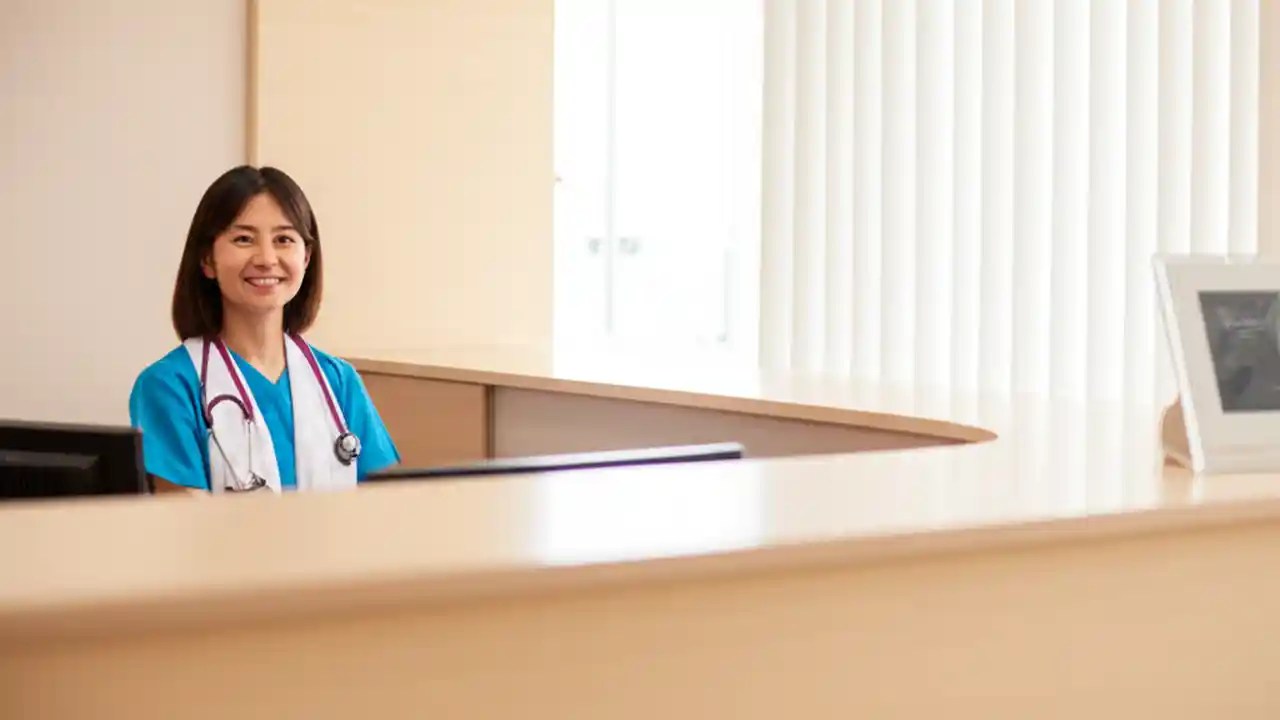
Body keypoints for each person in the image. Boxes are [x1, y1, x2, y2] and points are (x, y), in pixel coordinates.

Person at [129, 165, 400, 493]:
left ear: (306, 257)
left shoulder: (338, 381)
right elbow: (182, 525)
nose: (267, 258)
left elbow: (388, 504)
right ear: (207, 259)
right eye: (243, 239)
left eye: (284, 239)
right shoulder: (170, 386)